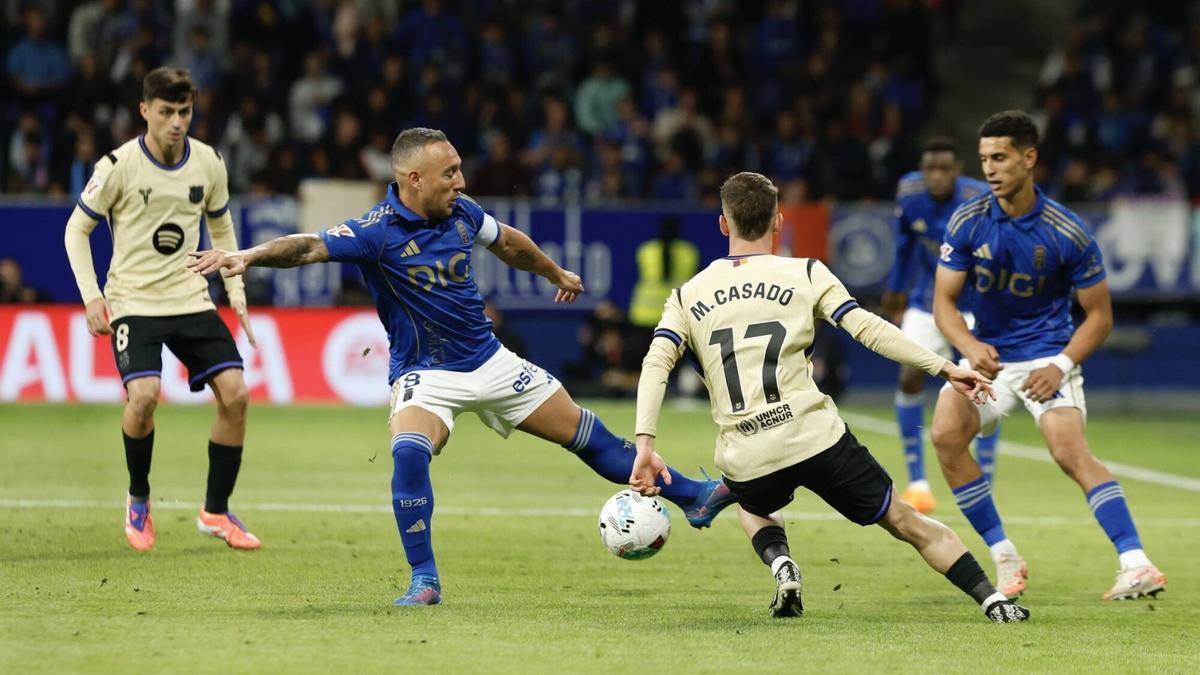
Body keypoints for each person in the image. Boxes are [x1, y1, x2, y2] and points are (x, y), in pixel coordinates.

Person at [187, 127, 737, 607]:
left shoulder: (462, 212)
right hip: (426, 374)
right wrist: (248, 256)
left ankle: (693, 497)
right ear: (413, 178)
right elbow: (308, 247)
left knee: (589, 437)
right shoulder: (377, 231)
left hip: (489, 359)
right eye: (449, 172)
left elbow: (510, 244)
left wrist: (554, 273)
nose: (461, 181)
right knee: (408, 452)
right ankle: (424, 579)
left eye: (459, 169)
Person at [629, 171, 1029, 623]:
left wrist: (645, 443)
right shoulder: (806, 272)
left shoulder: (686, 296)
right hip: (816, 438)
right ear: (778, 222)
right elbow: (868, 329)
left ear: (724, 224)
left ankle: (781, 563)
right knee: (906, 522)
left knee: (753, 508)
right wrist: (945, 367)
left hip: (749, 453)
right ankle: (993, 600)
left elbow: (655, 364)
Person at [930, 110, 1167, 601]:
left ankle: (1136, 563)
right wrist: (969, 346)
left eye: (1000, 158)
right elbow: (944, 303)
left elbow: (1099, 317)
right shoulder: (968, 220)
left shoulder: (1067, 231)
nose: (990, 169)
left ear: (1029, 157)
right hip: (988, 357)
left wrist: (1060, 365)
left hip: (1046, 358)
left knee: (1068, 452)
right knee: (946, 435)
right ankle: (1004, 555)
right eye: (984, 159)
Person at [63, 67, 260, 552]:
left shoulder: (209, 162)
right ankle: (138, 498)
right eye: (167, 112)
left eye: (185, 112)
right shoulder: (117, 166)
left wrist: (235, 291)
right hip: (134, 301)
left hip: (190, 297)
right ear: (144, 110)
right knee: (145, 397)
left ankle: (216, 511)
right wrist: (92, 296)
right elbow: (76, 231)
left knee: (236, 395)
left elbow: (222, 229)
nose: (176, 122)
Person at [881, 137, 1000, 515]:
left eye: (944, 169)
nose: (936, 176)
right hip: (927, 303)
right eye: (930, 168)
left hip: (973, 306)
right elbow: (904, 245)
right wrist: (895, 293)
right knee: (908, 377)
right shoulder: (909, 193)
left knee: (983, 386)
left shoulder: (978, 199)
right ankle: (918, 483)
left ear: (957, 171)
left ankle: (985, 478)